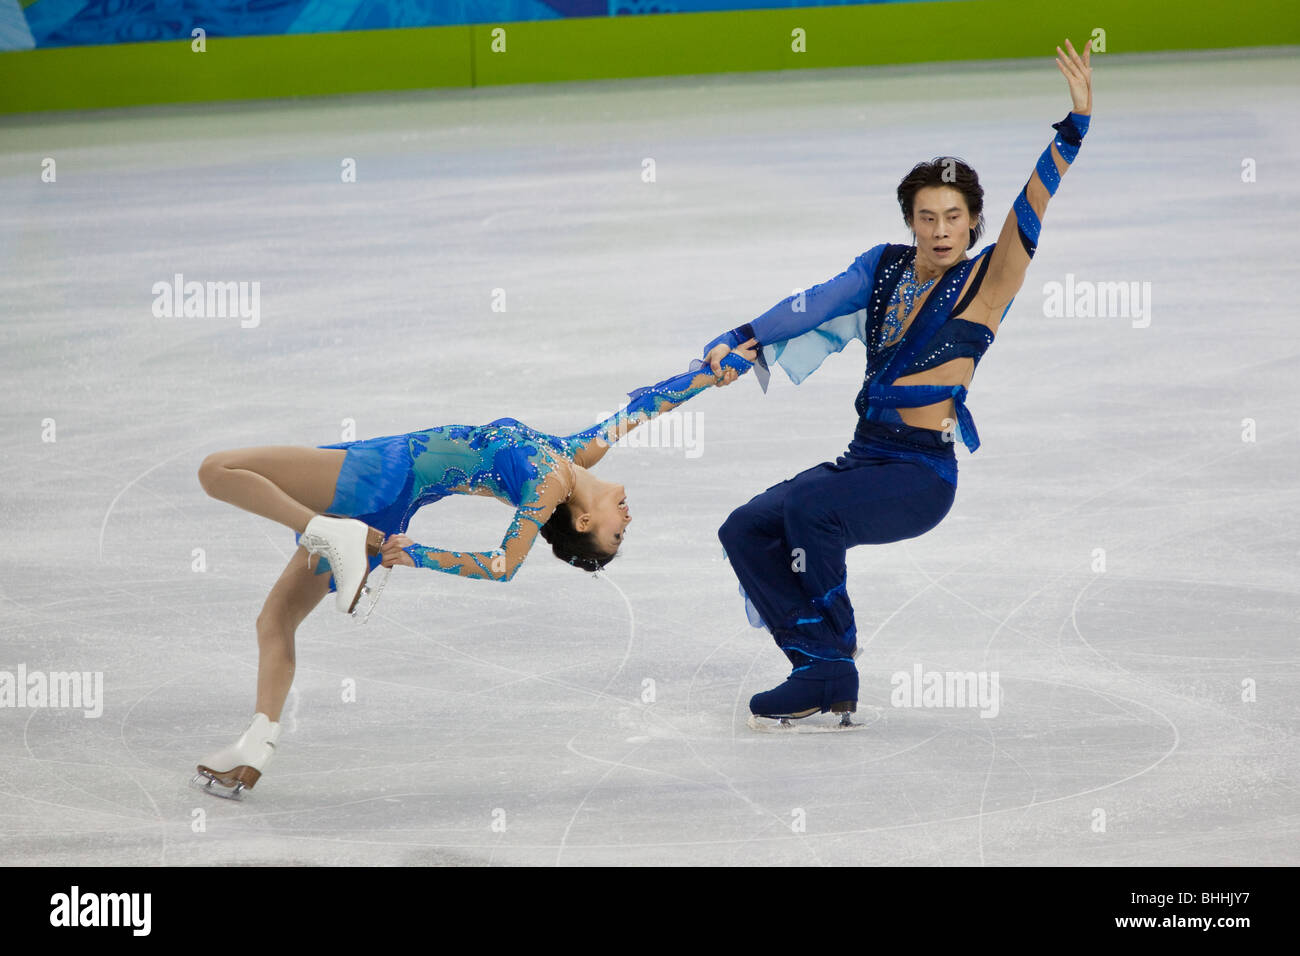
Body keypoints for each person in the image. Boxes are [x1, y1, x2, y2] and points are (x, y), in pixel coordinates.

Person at [703, 39, 1094, 727]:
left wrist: (1073, 129)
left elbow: (1029, 210)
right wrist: (744, 336)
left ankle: (832, 664)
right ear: (910, 221)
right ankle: (813, 662)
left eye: (954, 217)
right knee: (746, 527)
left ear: (973, 222)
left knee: (811, 510)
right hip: (864, 457)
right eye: (927, 217)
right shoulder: (883, 267)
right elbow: (814, 304)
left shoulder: (986, 282)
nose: (941, 231)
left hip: (919, 476)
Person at [190, 350, 755, 797]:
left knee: (218, 470)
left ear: (583, 521)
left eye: (616, 534)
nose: (627, 521)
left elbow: (502, 565)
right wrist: (712, 373)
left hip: (386, 470)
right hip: (391, 504)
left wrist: (419, 554)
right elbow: (647, 406)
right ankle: (257, 743)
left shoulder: (550, 483)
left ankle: (328, 532)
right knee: (275, 621)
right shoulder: (573, 456)